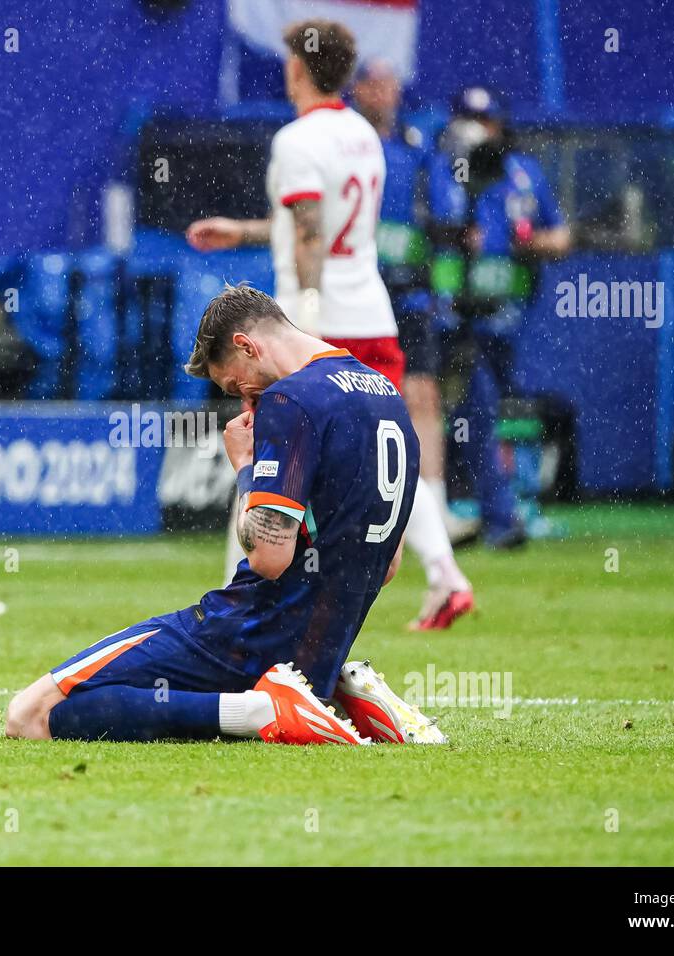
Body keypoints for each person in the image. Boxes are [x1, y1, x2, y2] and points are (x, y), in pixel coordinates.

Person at [5, 285, 445, 745]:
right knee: (96, 708)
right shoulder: (387, 396)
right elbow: (388, 564)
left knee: (29, 715)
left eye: (237, 386)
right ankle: (336, 694)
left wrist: (245, 467)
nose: (245, 402)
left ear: (246, 345)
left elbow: (268, 557)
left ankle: (265, 710)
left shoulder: (292, 400)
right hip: (318, 651)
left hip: (244, 632)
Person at [185, 20, 474, 631]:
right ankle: (446, 573)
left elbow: (313, 234)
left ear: (297, 67)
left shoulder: (297, 139)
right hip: (371, 311)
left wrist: (307, 317)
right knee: (388, 447)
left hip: (318, 325)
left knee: (260, 451)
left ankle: (231, 600)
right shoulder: (364, 135)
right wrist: (244, 231)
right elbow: (322, 223)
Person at [434, 87, 571, 547]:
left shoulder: (521, 173)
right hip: (448, 315)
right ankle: (480, 510)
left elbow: (560, 237)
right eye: (468, 120)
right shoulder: (439, 168)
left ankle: (503, 507)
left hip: (509, 316)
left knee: (496, 410)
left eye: (485, 121)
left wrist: (527, 243)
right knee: (457, 407)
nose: (478, 131)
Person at [352, 57, 480, 546]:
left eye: (389, 83)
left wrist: (440, 289)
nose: (383, 92)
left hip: (408, 296)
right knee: (352, 399)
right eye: (374, 83)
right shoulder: (345, 142)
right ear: (358, 89)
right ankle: (353, 512)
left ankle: (434, 510)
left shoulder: (417, 147)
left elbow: (442, 220)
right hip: (354, 293)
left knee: (422, 395)